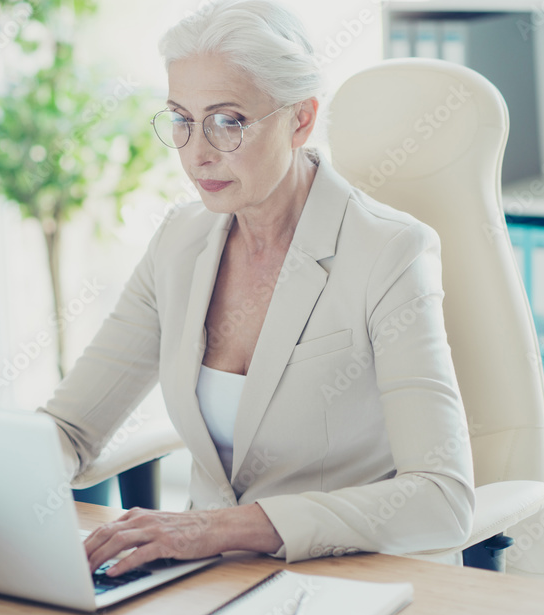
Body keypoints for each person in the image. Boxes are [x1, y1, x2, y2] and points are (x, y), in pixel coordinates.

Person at [38, 0, 475, 577]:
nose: (197, 153)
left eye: (228, 120)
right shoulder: (179, 242)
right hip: (203, 581)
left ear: (300, 119)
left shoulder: (390, 251)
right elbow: (71, 428)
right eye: (181, 119)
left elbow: (441, 498)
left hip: (354, 581)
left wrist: (217, 528)